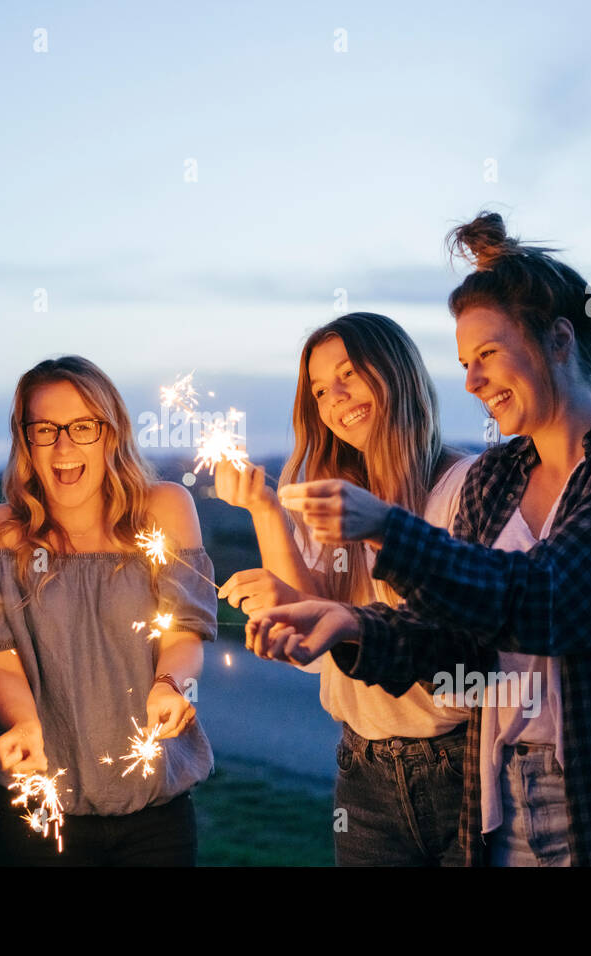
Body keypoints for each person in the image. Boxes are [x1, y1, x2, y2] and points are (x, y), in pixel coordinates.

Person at [246, 213, 591, 866]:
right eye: (465, 362)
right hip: (496, 801)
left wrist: (389, 529)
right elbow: (457, 645)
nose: (471, 381)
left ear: (557, 339)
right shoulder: (497, 479)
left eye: (486, 355)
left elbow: (558, 603)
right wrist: (349, 626)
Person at [214, 312, 475, 865]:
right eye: (319, 390)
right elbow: (319, 651)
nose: (335, 398)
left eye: (349, 374)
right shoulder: (329, 501)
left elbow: (464, 653)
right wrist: (265, 508)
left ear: (397, 371)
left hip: (464, 767)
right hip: (364, 772)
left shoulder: (466, 488)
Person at [0, 356, 216, 866]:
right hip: (36, 812)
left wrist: (169, 683)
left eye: (82, 427)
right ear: (24, 440)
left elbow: (183, 631)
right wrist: (22, 724)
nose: (63, 446)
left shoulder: (163, 511)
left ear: (111, 434)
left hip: (155, 815)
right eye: (45, 429)